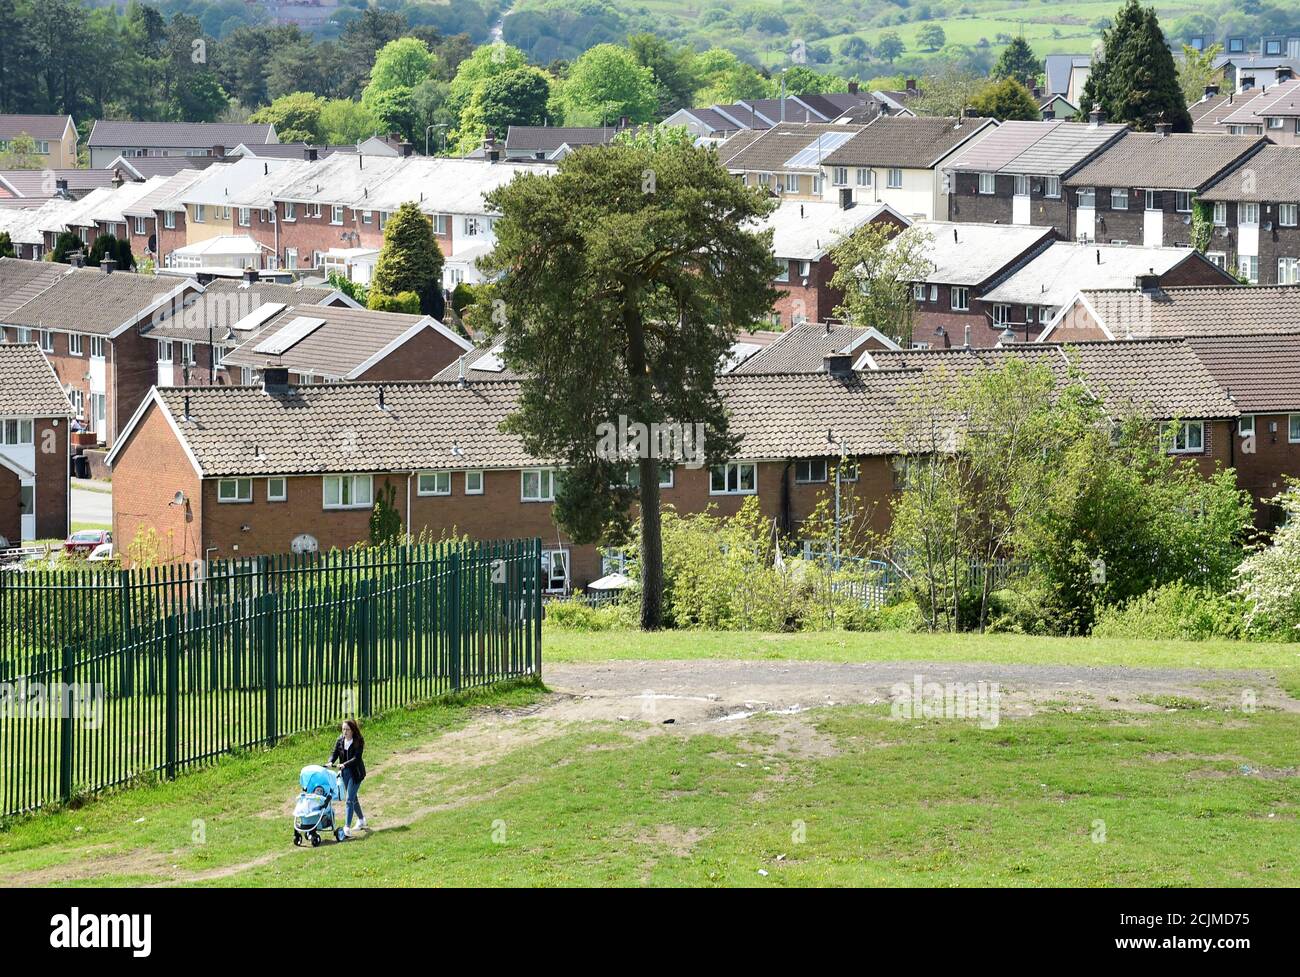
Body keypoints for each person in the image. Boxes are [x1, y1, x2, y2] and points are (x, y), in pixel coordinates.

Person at [328, 719, 367, 837]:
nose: (345, 732)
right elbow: (334, 753)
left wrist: (345, 764)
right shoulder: (340, 740)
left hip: (356, 773)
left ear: (353, 730)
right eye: (343, 729)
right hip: (345, 773)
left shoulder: (358, 741)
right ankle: (361, 820)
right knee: (353, 797)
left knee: (349, 799)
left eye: (347, 729)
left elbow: (357, 758)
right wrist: (330, 762)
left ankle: (346, 827)